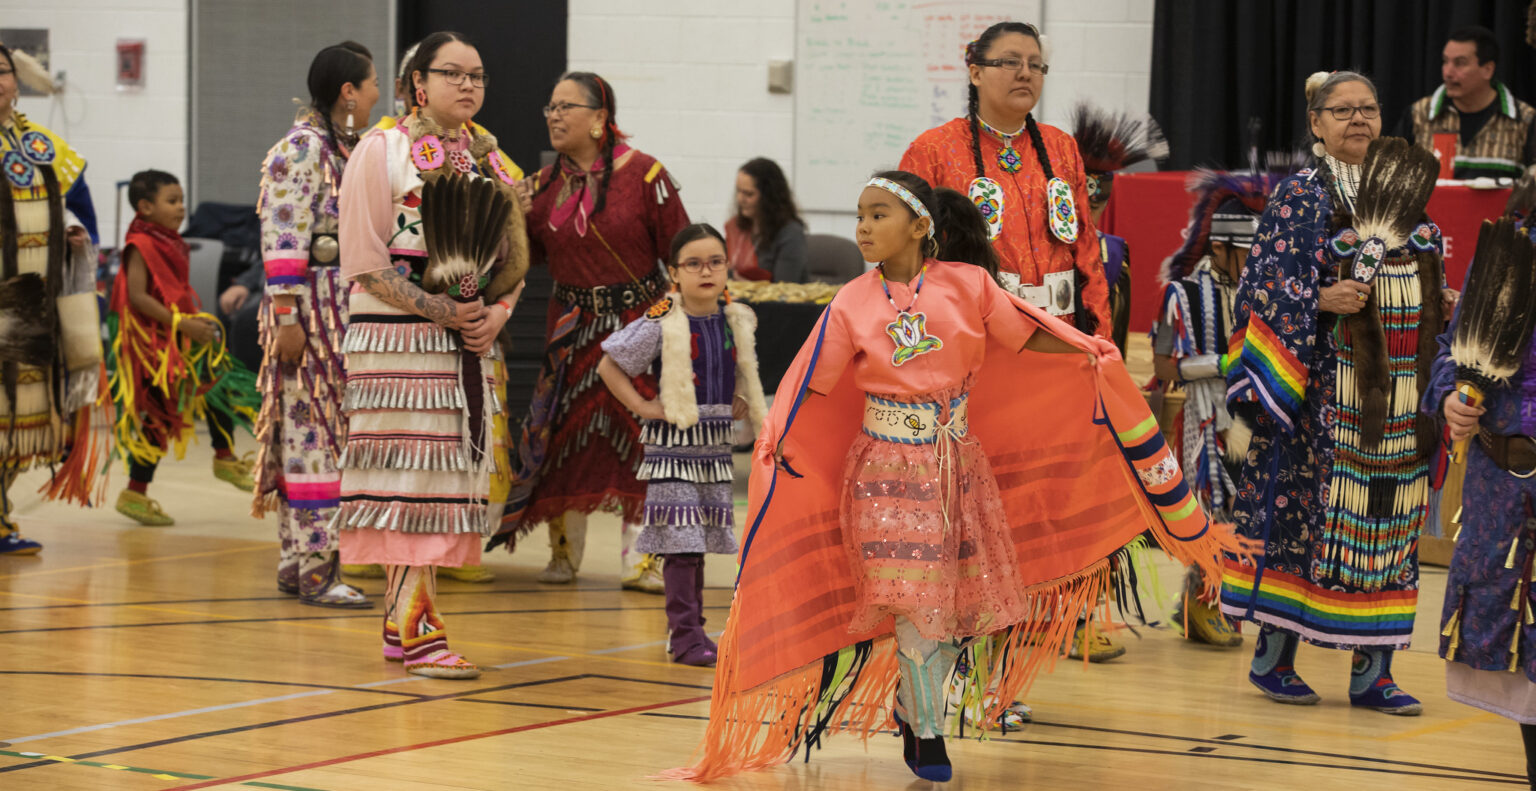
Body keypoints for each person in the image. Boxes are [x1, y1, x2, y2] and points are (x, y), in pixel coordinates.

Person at [666, 171, 1249, 783]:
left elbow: (1025, 337)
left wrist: (1088, 351)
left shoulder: (968, 286)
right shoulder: (851, 301)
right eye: (860, 215)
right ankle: (926, 727)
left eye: (878, 215)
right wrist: (778, 435)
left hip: (957, 467)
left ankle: (914, 704)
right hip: (885, 471)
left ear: (920, 227)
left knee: (957, 607)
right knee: (915, 604)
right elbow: (813, 381)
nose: (862, 227)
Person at [1221, 71, 1443, 715]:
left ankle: (1373, 674)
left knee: (1388, 522)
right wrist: (1319, 298)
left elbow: (1428, 271)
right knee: (1306, 522)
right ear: (1315, 123)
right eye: (1341, 110)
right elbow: (1258, 292)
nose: (1357, 120)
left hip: (1401, 398)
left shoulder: (1407, 196)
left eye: (1369, 108)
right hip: (1321, 399)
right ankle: (1274, 660)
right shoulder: (1301, 197)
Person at [334, 31, 528, 679]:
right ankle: (418, 629)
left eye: (478, 76)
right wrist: (444, 311)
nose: (468, 85)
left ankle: (402, 620)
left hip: (466, 346)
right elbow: (364, 262)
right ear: (419, 81)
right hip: (395, 344)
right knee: (406, 481)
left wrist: (492, 317)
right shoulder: (381, 151)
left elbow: (515, 263)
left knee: (442, 482)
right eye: (453, 73)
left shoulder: (496, 166)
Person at [492, 71, 691, 592]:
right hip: (571, 331)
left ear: (600, 119)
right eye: (550, 107)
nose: (554, 116)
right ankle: (563, 554)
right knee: (559, 441)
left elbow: (682, 254)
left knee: (647, 438)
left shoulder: (647, 176)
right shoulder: (538, 188)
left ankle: (643, 562)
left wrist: (688, 325)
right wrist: (503, 212)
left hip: (639, 329)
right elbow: (519, 260)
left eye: (566, 107)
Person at [596, 223, 767, 666]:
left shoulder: (735, 319)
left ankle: (689, 633)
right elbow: (609, 366)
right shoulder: (661, 321)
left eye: (715, 262)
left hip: (713, 447)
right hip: (672, 447)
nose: (705, 271)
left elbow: (738, 373)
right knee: (681, 543)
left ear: (727, 268)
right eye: (693, 264)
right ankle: (686, 633)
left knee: (699, 541)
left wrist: (742, 400)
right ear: (675, 273)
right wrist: (642, 405)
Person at [251, 42, 379, 608]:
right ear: (347, 92)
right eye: (371, 83)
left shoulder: (344, 149)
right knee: (313, 437)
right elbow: (282, 234)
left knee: (319, 436)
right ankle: (318, 569)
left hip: (341, 310)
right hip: (311, 312)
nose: (378, 93)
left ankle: (296, 562)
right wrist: (287, 317)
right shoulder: (302, 150)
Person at [901, 21, 1109, 336]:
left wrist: (1100, 336)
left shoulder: (1061, 147)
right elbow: (906, 255)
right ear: (976, 74)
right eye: (1010, 62)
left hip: (1060, 335)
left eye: (1035, 65)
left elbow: (1087, 252)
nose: (1025, 73)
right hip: (973, 336)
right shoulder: (933, 150)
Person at [1433, 193, 1536, 790]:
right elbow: (1452, 350)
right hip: (1508, 486)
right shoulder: (1510, 250)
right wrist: (1449, 395)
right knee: (1523, 651)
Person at [1150, 170, 1271, 649]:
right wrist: (1222, 362)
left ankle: (1214, 601)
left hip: (1254, 414)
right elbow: (1164, 363)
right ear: (1219, 247)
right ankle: (1203, 603)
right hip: (1208, 417)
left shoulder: (1262, 293)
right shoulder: (1181, 294)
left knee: (1246, 512)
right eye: (1247, 254)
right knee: (1213, 510)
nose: (1255, 264)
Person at [0, 41, 108, 554]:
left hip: (32, 310)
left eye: (1, 72)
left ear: (16, 81)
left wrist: (73, 231)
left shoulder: (45, 149)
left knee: (23, 417)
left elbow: (80, 211)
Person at [108, 170, 260, 526]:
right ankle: (214, 461)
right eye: (171, 201)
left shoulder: (169, 239)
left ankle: (142, 489)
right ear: (145, 207)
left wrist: (190, 323)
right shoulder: (141, 245)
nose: (180, 208)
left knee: (198, 393)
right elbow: (138, 297)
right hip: (154, 345)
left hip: (175, 337)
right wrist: (182, 324)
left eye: (181, 201)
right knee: (182, 403)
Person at [1070, 102, 1167, 354]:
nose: (1088, 215)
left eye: (1096, 206)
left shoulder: (1113, 253)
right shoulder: (1040, 245)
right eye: (1082, 205)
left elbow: (1118, 332)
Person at [1398, 25, 1536, 180]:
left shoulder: (1525, 120)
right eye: (1445, 61)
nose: (1448, 72)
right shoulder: (1418, 115)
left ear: (1488, 70)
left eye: (1460, 63)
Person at [724, 157, 807, 282]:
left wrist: (746, 287)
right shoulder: (736, 227)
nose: (740, 199)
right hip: (737, 299)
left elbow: (785, 288)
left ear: (769, 197)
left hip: (771, 301)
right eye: (738, 191)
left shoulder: (790, 233)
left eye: (749, 194)